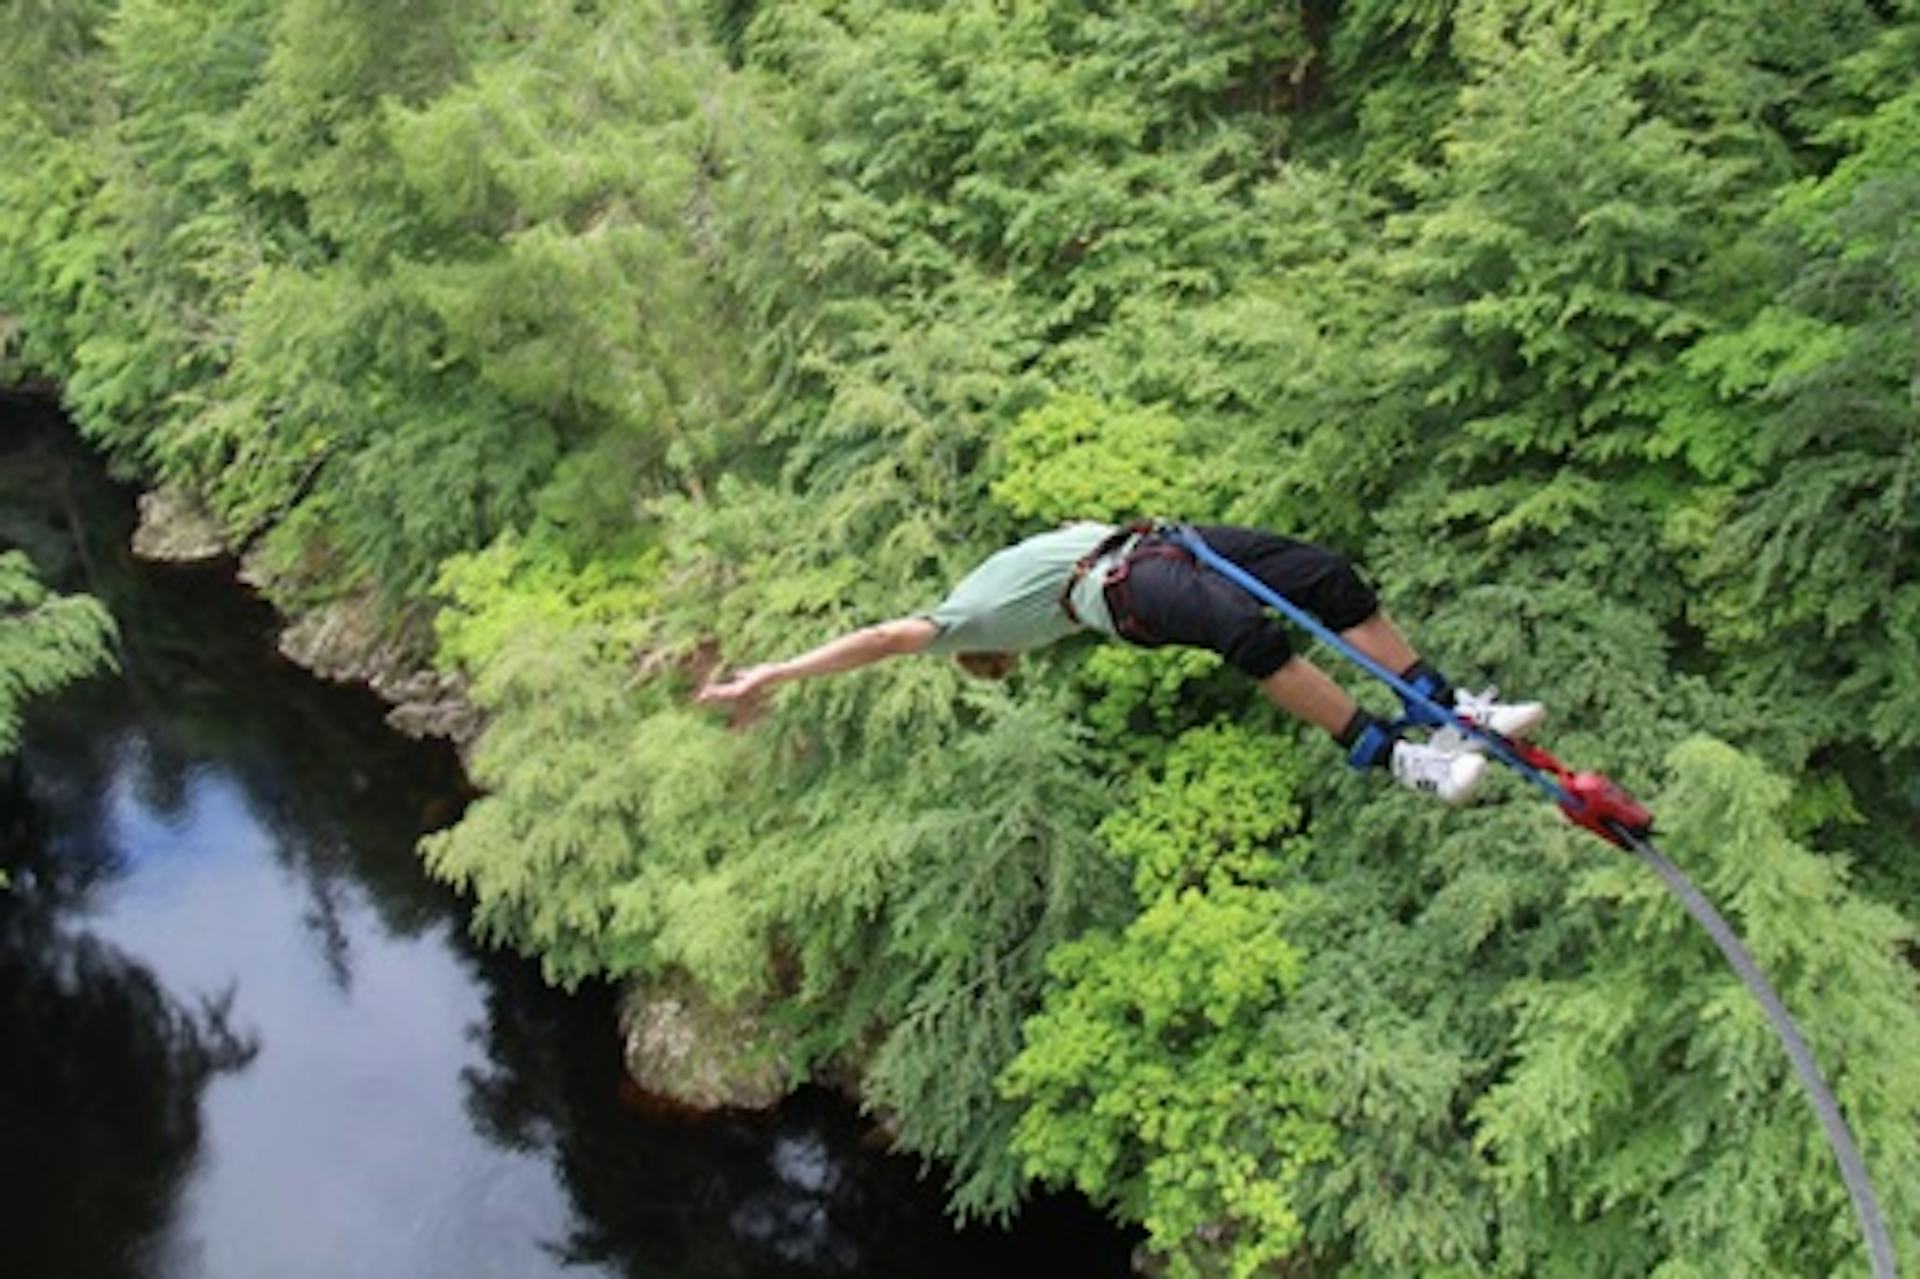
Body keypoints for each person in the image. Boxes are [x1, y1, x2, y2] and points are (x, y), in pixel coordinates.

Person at [694, 521, 1545, 804]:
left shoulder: (988, 596)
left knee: (1327, 576)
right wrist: (775, 672)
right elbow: (880, 640)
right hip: (1131, 584)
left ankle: (1449, 710)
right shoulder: (975, 620)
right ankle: (1400, 757)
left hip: (1165, 541)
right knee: (1250, 634)